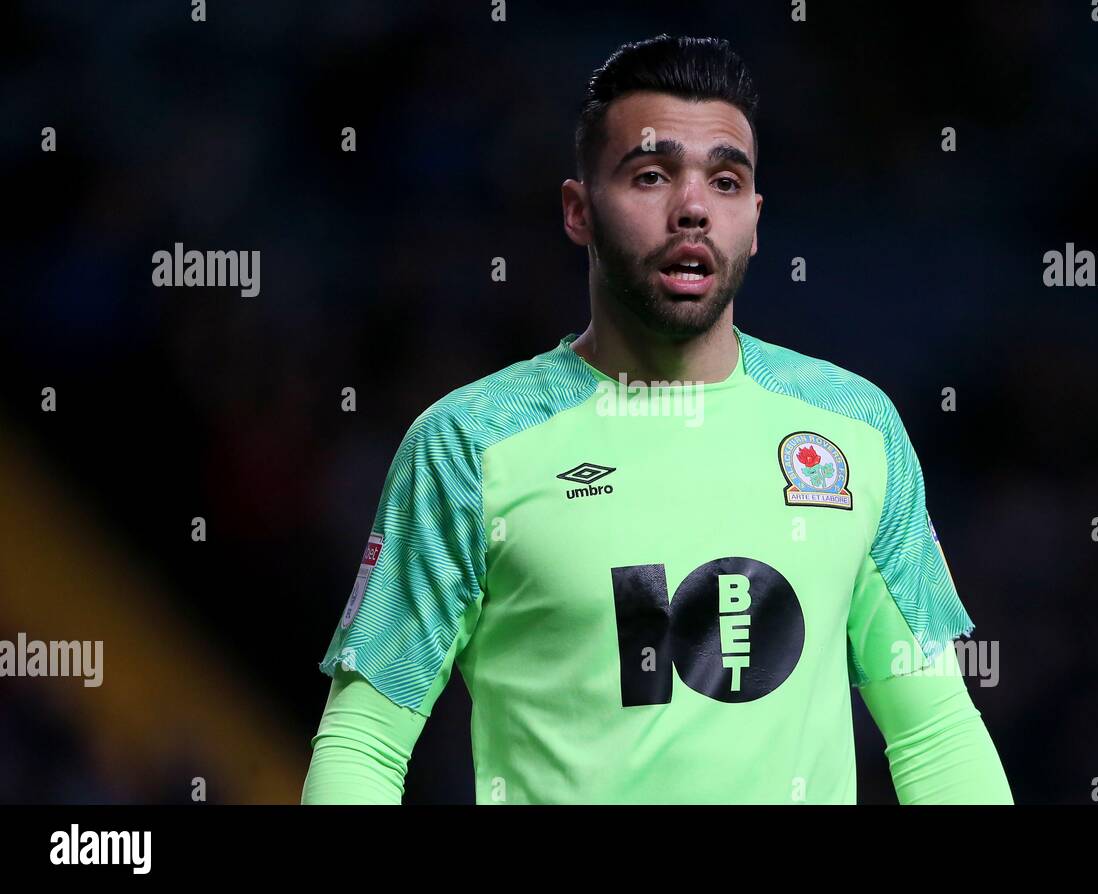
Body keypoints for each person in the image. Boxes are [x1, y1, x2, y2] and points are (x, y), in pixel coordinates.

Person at [301, 34, 1013, 805]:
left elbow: (935, 732)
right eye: (650, 175)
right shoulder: (470, 445)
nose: (694, 208)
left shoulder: (853, 430)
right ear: (578, 211)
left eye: (726, 181)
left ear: (756, 219)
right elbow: (366, 741)